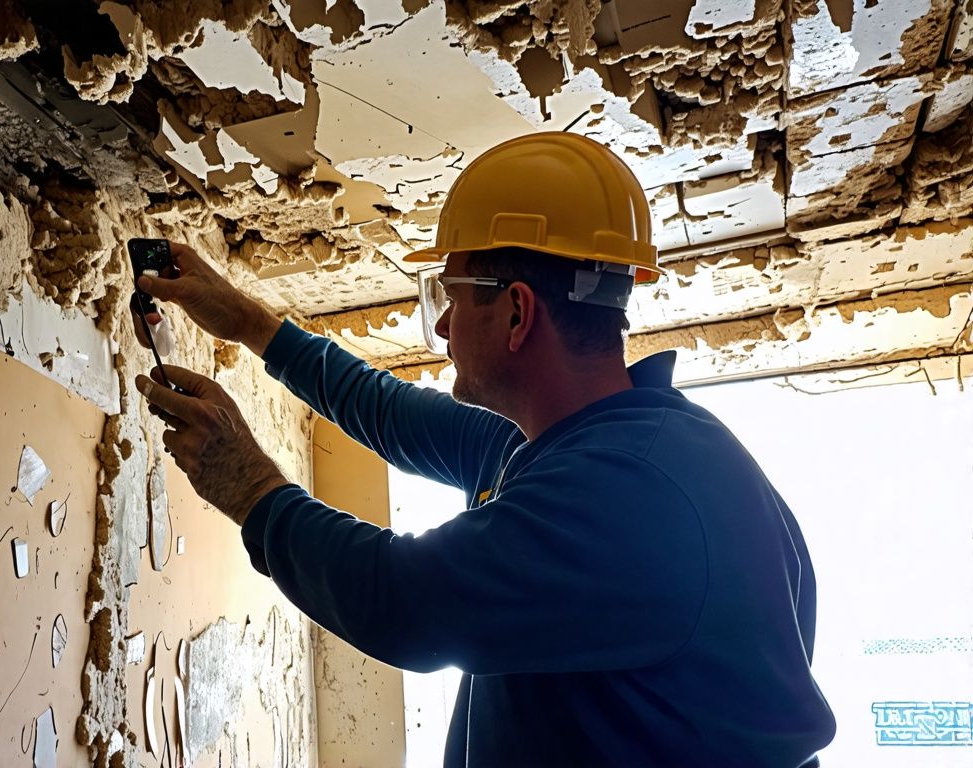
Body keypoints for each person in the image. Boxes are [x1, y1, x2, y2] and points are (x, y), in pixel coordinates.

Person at [131, 133, 835, 767]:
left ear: (517, 312)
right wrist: (246, 322)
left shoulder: (634, 492)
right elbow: (387, 413)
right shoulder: (579, 447)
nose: (440, 324)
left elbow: (404, 602)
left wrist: (248, 485)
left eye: (452, 293)